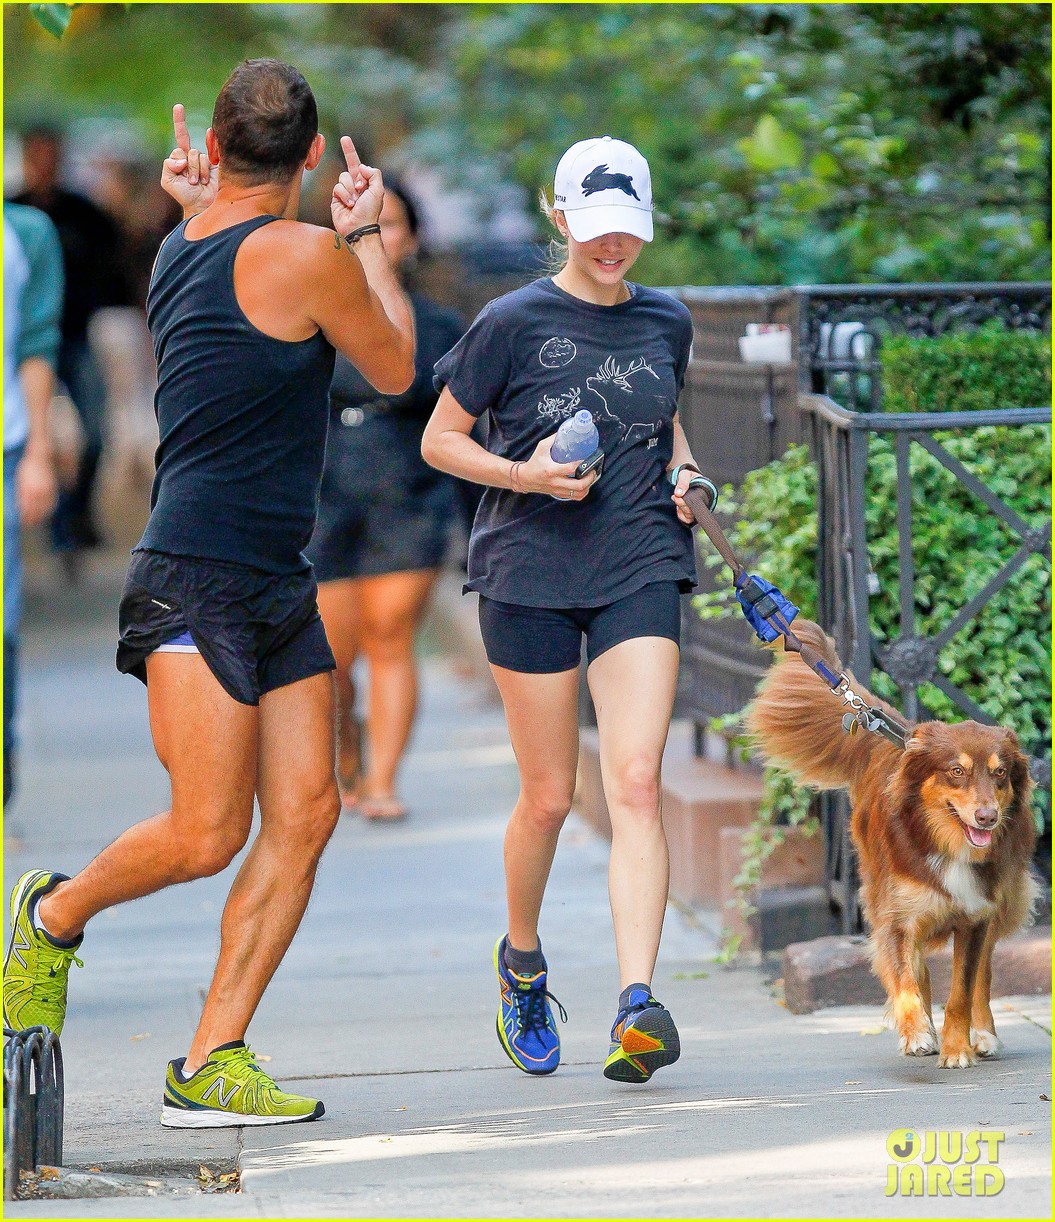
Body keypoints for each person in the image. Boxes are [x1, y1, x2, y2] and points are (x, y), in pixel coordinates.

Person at [3, 59, 415, 1128]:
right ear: (317, 157)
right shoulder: (313, 252)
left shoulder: (183, 245)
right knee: (203, 831)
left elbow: (213, 243)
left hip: (274, 577)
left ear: (217, 150)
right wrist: (367, 233)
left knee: (309, 811)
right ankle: (50, 913)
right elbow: (395, 365)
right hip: (194, 576)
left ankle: (210, 1057)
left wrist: (198, 201)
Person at [422, 137, 708, 1083]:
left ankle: (636, 1004)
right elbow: (439, 440)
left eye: (627, 229)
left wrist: (686, 467)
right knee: (548, 797)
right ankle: (522, 962)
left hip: (638, 560)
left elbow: (660, 413)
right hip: (528, 569)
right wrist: (523, 476)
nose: (612, 246)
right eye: (594, 230)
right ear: (559, 222)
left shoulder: (666, 320)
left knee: (632, 781)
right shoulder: (509, 320)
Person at [308, 181, 464, 820]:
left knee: (391, 635)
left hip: (410, 493)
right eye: (362, 223)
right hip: (324, 492)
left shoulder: (440, 327)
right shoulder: (311, 314)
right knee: (333, 657)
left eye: (391, 223)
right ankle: (350, 753)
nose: (375, 233)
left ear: (412, 237)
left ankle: (384, 783)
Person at [14, 126, 125, 565]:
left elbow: (114, 259)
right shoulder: (16, 214)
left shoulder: (84, 213)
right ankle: (57, 522)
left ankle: (78, 515)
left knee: (95, 433)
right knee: (29, 432)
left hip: (75, 335)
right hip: (28, 341)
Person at [3, 202, 64, 805]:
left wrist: (40, 452)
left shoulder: (24, 234)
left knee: (2, 626)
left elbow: (37, 345)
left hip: (6, 449)